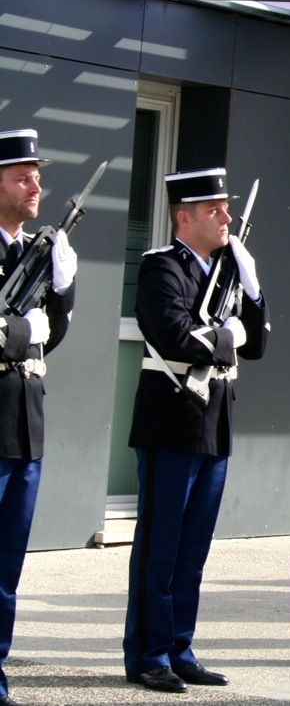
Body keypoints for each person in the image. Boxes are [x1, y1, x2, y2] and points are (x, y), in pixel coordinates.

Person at [123, 168, 269, 693]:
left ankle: (180, 646)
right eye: (214, 210)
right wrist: (225, 336)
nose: (226, 217)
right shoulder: (162, 268)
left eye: (227, 208)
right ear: (184, 217)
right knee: (161, 545)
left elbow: (256, 346)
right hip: (172, 422)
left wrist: (251, 290)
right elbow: (173, 334)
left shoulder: (227, 271)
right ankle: (148, 653)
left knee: (193, 549)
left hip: (214, 424)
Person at [0, 129, 77, 706]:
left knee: (5, 571)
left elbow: (51, 337)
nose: (36, 186)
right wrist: (26, 330)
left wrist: (64, 289)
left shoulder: (38, 250)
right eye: (23, 176)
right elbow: (20, 333)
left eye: (37, 176)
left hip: (24, 426)